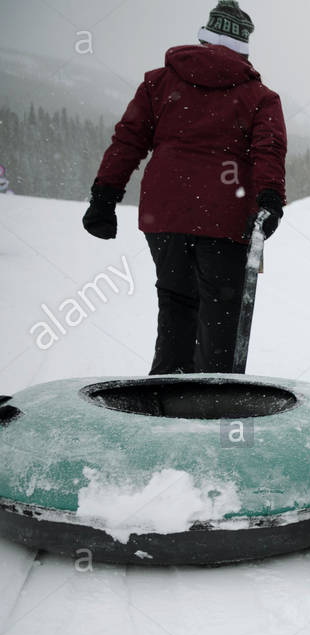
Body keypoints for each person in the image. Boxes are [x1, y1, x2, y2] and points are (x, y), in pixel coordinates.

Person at [82, 1, 286, 375]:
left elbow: (128, 140)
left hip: (165, 216)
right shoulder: (260, 98)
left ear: (203, 37)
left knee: (176, 306)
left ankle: (166, 398)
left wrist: (104, 195)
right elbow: (268, 151)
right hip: (226, 221)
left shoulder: (158, 83)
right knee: (220, 321)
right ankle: (214, 405)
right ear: (243, 46)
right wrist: (270, 199)